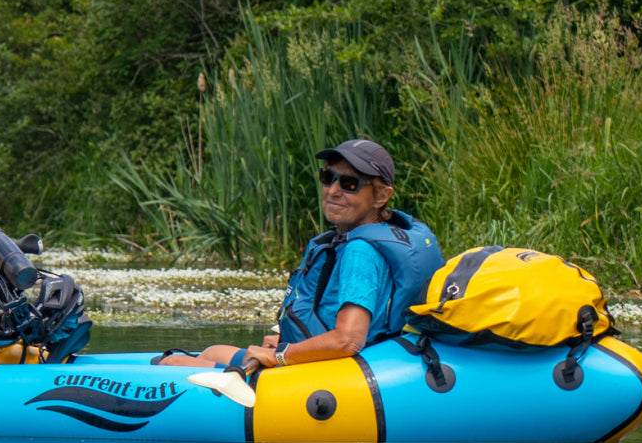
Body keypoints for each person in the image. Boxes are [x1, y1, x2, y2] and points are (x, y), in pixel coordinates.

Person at [159, 139, 443, 370]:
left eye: (350, 183)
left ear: (381, 196)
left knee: (172, 363)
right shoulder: (368, 238)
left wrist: (282, 355)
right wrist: (291, 342)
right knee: (213, 350)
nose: (333, 191)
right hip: (343, 358)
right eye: (328, 177)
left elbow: (348, 340)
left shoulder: (361, 251)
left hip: (338, 370)